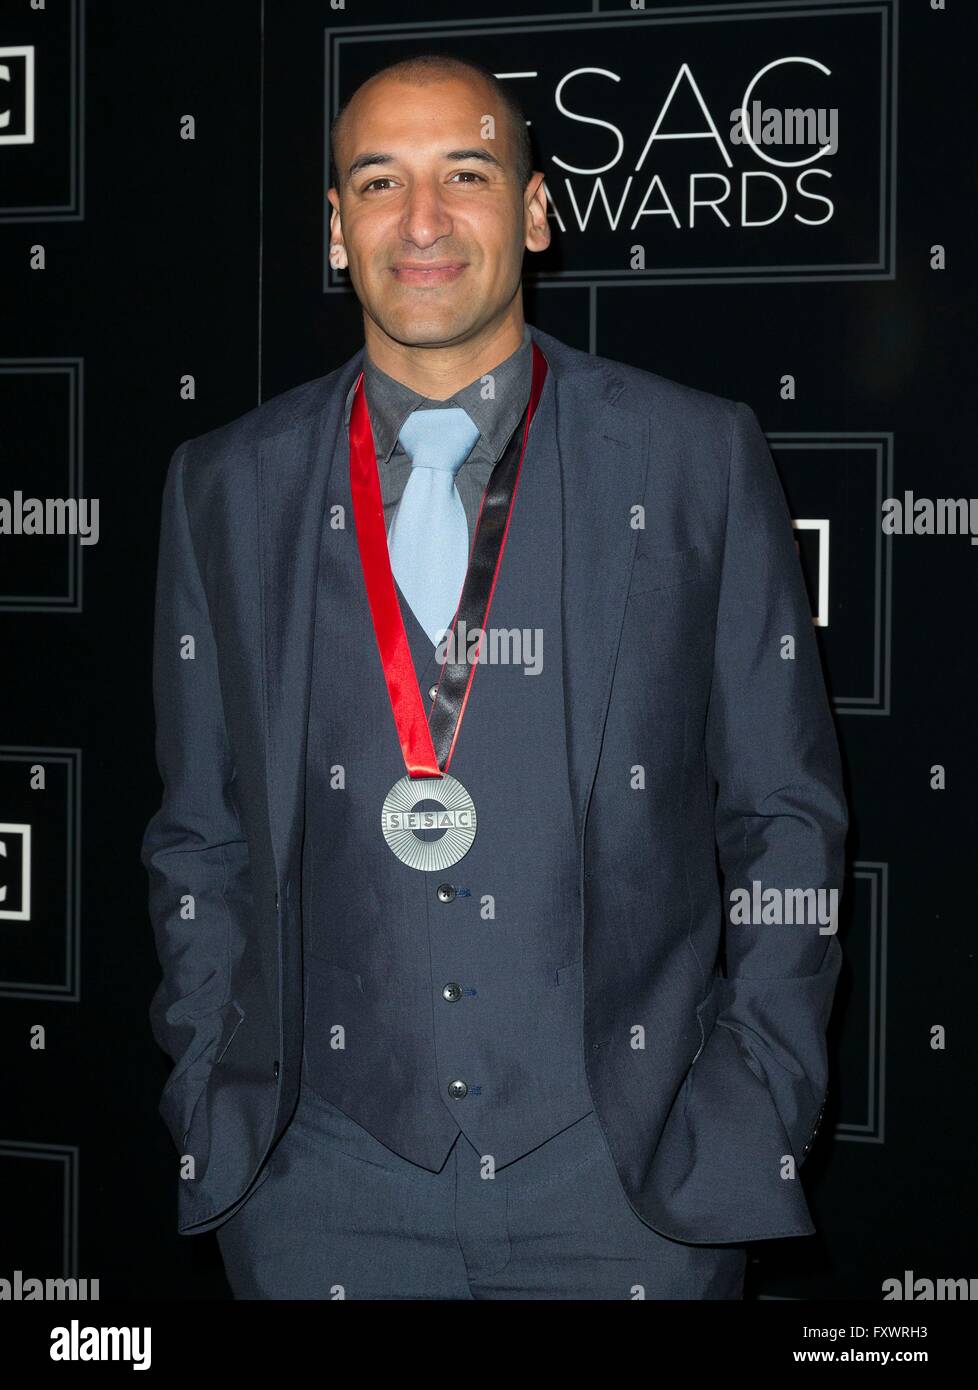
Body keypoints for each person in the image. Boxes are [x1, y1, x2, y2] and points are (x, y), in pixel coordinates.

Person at [141, 51, 848, 1300]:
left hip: (630, 1193)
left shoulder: (693, 457)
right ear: (334, 227)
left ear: (532, 212)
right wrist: (213, 1085)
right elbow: (200, 835)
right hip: (318, 1192)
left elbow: (785, 818)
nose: (422, 222)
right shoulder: (224, 485)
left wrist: (754, 1099)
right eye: (378, 182)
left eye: (464, 174)